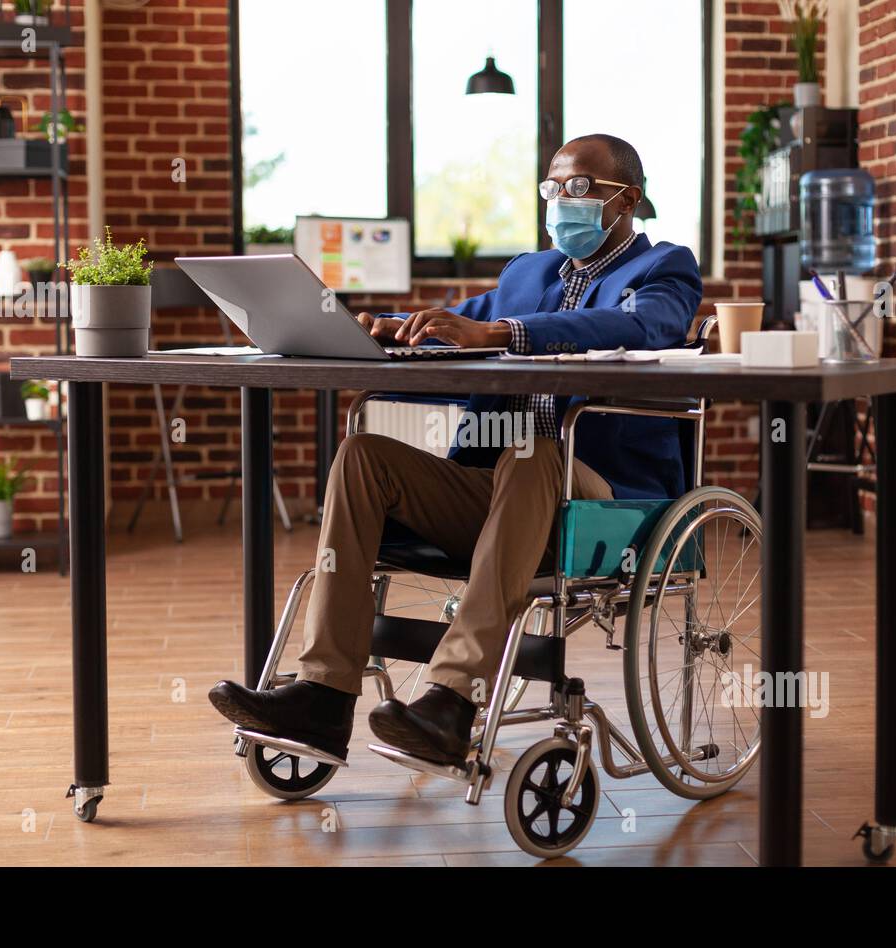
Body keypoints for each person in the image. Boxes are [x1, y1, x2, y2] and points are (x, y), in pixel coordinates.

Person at [209, 133, 703, 768]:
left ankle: (451, 700)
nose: (560, 201)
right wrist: (397, 335)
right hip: (501, 495)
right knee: (364, 456)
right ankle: (321, 698)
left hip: (597, 502)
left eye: (577, 188)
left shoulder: (662, 267)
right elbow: (458, 329)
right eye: (552, 188)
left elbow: (640, 326)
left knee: (530, 453)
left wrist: (504, 332)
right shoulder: (529, 273)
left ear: (627, 198)